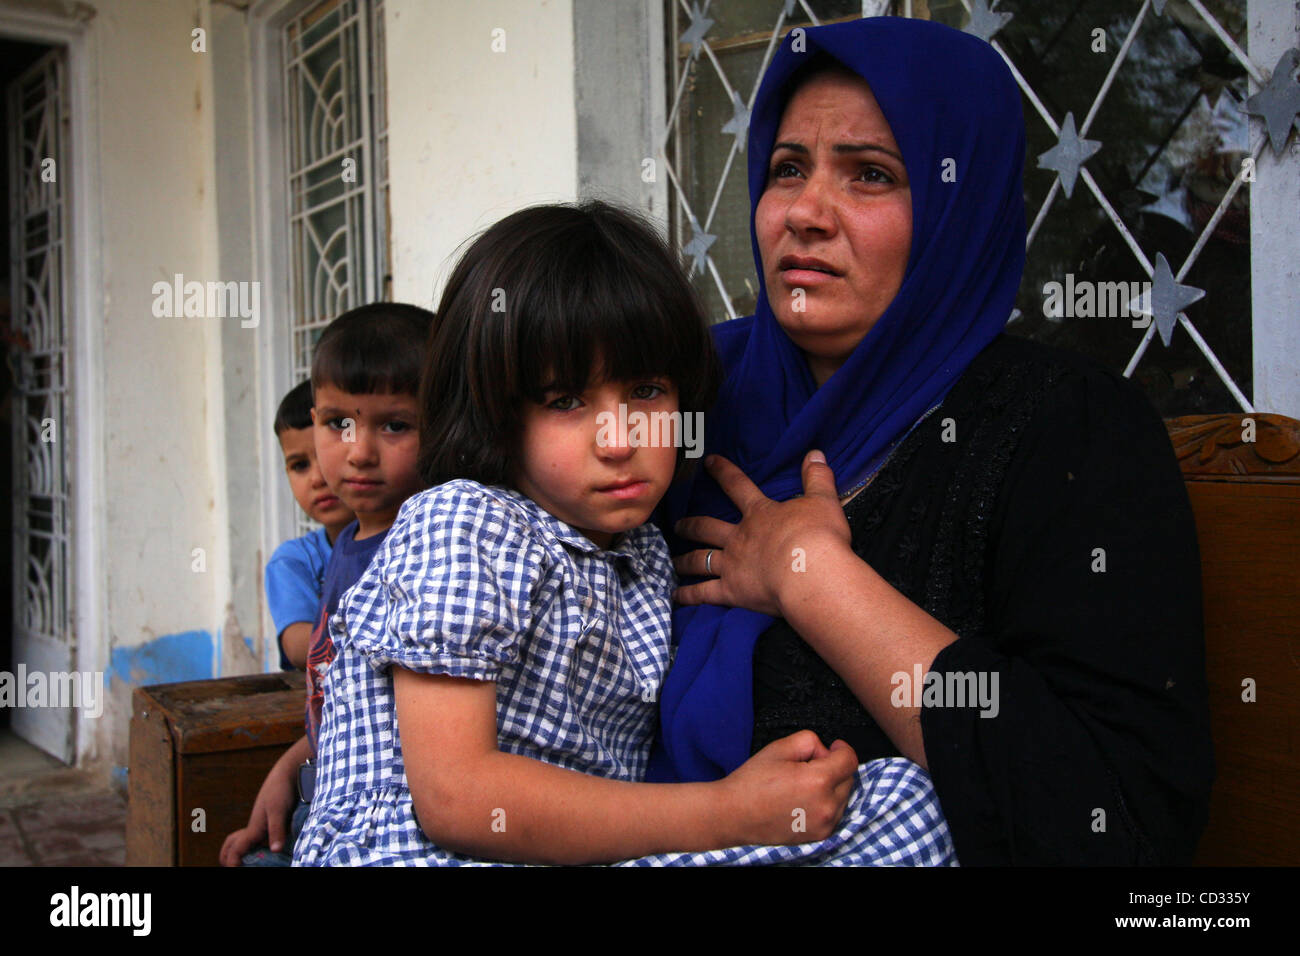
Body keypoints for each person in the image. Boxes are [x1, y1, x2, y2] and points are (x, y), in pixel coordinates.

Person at [648, 16, 1215, 866]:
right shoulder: (680, 398)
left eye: (870, 175)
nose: (805, 212)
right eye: (786, 168)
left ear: (960, 207)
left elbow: (1118, 824)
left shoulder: (1066, 430)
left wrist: (817, 581)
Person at [294, 201, 953, 866]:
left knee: (901, 804)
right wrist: (730, 811)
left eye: (645, 391)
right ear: (494, 413)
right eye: (565, 402)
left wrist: (801, 570)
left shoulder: (640, 554)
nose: (619, 440)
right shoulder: (468, 523)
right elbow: (459, 799)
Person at [218, 302, 434, 866]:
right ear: (313, 422)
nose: (359, 452)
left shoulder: (433, 548)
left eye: (395, 425)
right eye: (338, 423)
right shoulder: (343, 549)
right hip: (323, 791)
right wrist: (288, 770)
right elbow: (342, 701)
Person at [266, 380, 355, 670]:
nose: (317, 478)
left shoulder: (407, 541)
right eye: (299, 465)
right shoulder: (294, 561)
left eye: (327, 455)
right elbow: (298, 647)